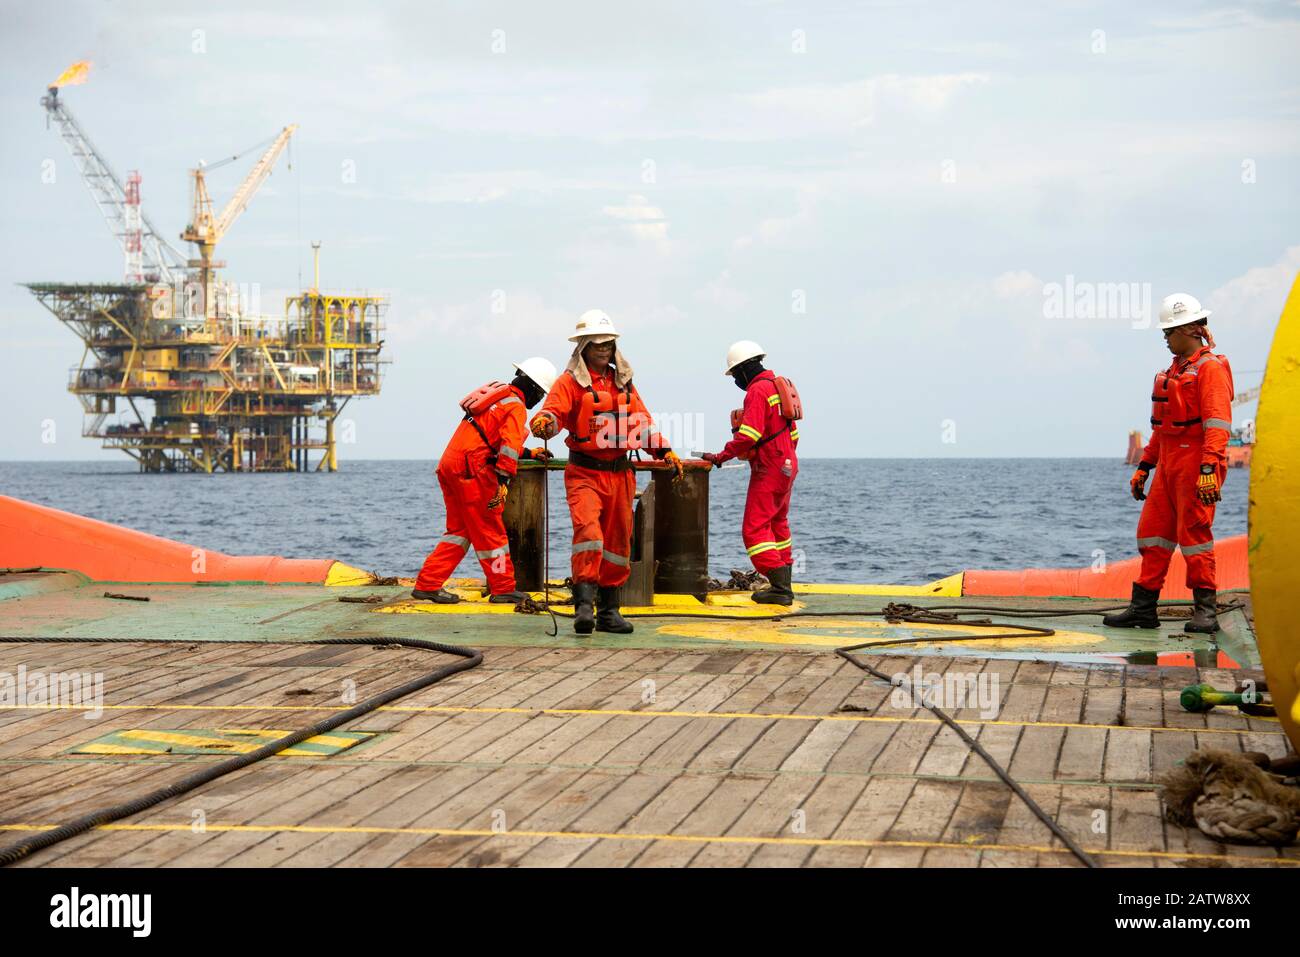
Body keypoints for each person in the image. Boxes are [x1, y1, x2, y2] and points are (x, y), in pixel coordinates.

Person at [529, 309, 683, 634]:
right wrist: (545, 424)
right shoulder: (569, 383)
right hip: (584, 473)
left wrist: (664, 450)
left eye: (608, 344)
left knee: (617, 544)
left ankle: (609, 611)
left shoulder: (624, 383)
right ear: (583, 347)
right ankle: (584, 605)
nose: (603, 349)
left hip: (621, 474)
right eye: (597, 344)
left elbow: (641, 422)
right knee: (589, 535)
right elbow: (553, 413)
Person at [1104, 293, 1233, 634]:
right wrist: (1145, 466)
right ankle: (1143, 609)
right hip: (1169, 465)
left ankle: (1205, 611)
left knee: (1195, 538)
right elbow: (1162, 430)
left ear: (1189, 329)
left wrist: (1208, 470)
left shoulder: (1210, 370)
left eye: (1169, 331)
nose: (1164, 338)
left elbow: (1218, 425)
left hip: (1195, 464)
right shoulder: (1173, 372)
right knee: (1153, 535)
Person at [412, 357, 558, 604]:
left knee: (458, 532)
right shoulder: (516, 406)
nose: (539, 400)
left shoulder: (499, 397)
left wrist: (529, 453)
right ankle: (503, 588)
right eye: (541, 394)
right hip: (473, 471)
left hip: (451, 465)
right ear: (533, 388)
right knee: (491, 531)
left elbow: (494, 440)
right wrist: (503, 480)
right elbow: (509, 446)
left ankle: (428, 584)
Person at [700, 341, 801, 605]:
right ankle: (785, 584)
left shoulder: (757, 391)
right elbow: (793, 433)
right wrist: (781, 456)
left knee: (754, 529)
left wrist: (721, 456)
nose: (736, 381)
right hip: (787, 464)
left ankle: (779, 588)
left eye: (734, 375)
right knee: (778, 523)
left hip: (769, 468)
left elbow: (748, 435)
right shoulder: (778, 387)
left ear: (744, 370)